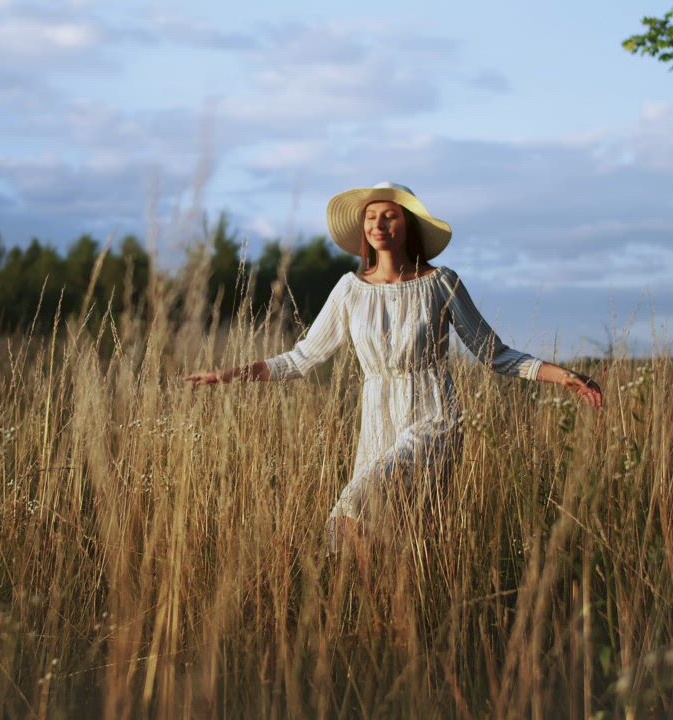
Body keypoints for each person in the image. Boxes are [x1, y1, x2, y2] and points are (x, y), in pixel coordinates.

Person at [184, 182, 603, 557]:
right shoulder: (350, 289)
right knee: (384, 533)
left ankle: (390, 620)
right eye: (371, 217)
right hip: (377, 422)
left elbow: (493, 353)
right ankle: (390, 623)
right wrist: (227, 375)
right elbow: (301, 358)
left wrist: (563, 376)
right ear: (362, 229)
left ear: (408, 227)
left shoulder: (442, 283)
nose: (379, 224)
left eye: (390, 216)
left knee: (353, 508)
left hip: (434, 417)